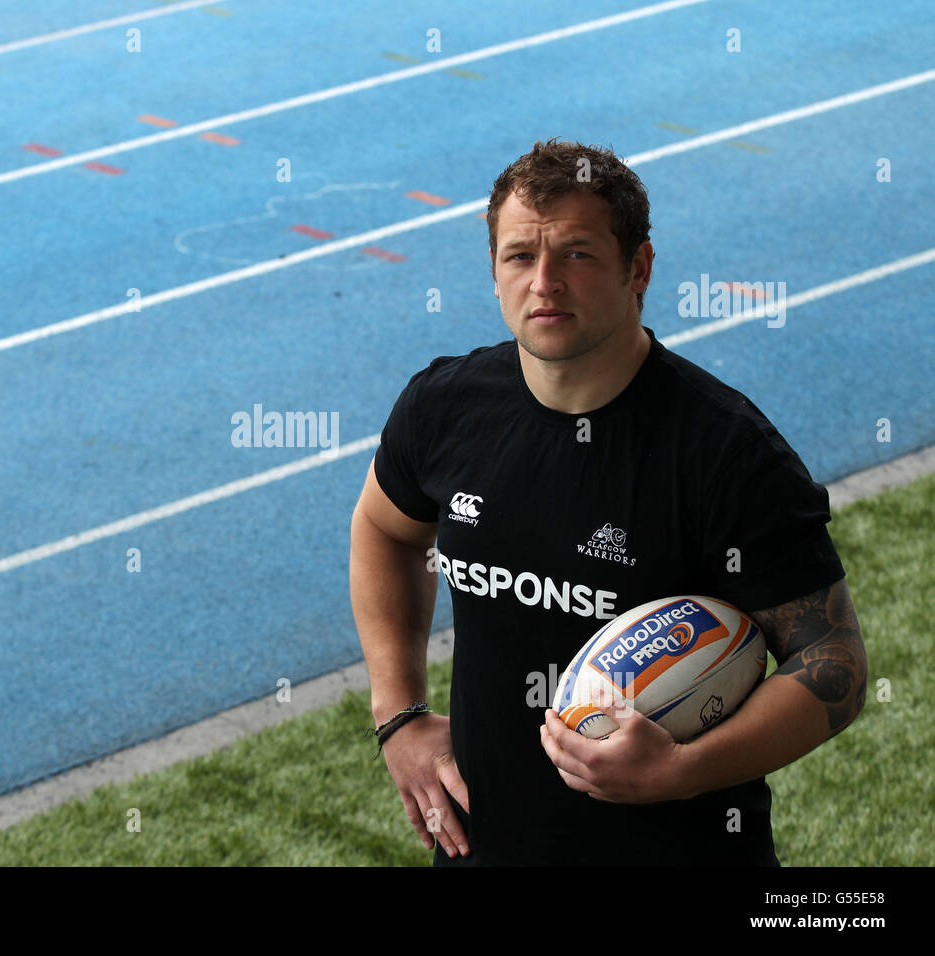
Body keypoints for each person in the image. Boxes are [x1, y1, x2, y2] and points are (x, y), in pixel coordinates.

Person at [349, 138, 867, 866]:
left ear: (639, 268)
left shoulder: (726, 454)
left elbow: (834, 662)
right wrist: (398, 713)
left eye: (578, 254)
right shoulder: (443, 408)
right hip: (482, 848)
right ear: (494, 272)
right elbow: (383, 528)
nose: (545, 283)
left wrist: (680, 772)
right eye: (520, 256)